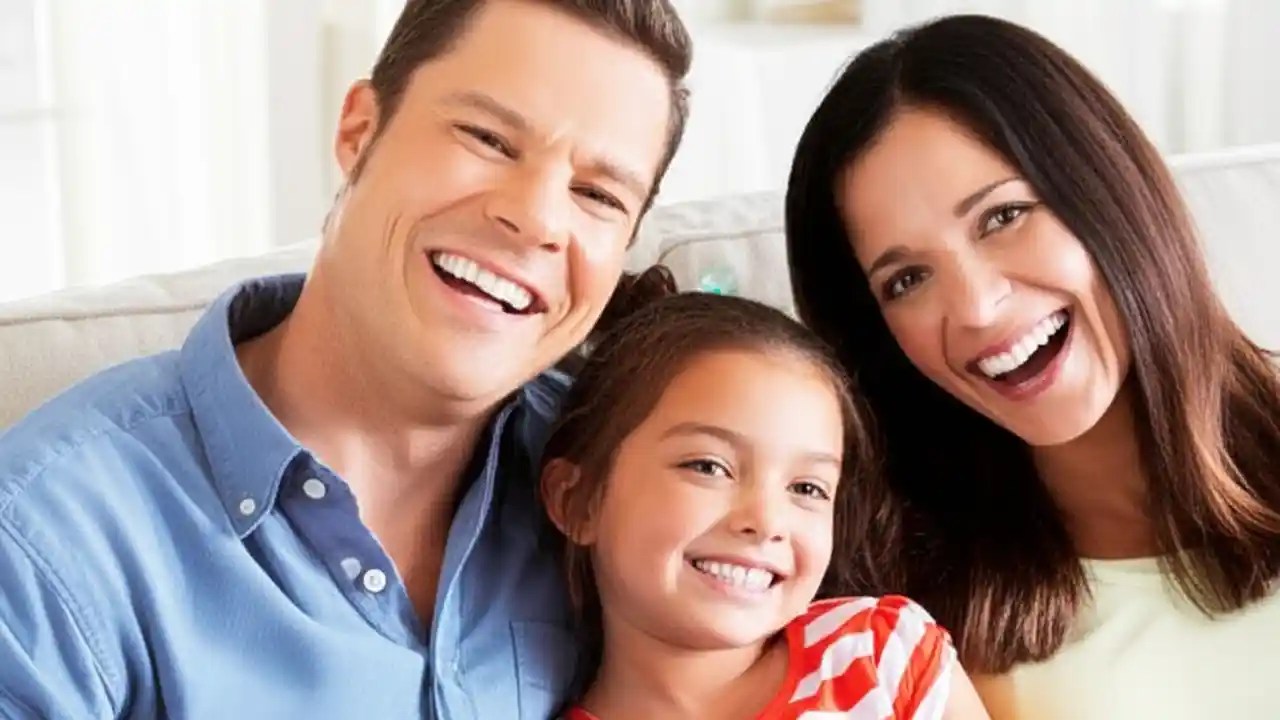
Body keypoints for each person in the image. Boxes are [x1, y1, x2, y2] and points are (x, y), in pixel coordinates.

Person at [0, 1, 691, 718]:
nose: (539, 218)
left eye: (597, 195)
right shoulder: (46, 542)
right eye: (487, 137)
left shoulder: (636, 494)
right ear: (360, 131)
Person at [784, 13, 1280, 719]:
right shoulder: (899, 620)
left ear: (1109, 191)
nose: (978, 308)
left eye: (1003, 216)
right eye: (907, 280)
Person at [538, 266, 991, 719]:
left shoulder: (883, 659)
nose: (768, 521)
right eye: (709, 467)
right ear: (577, 501)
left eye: (807, 488)